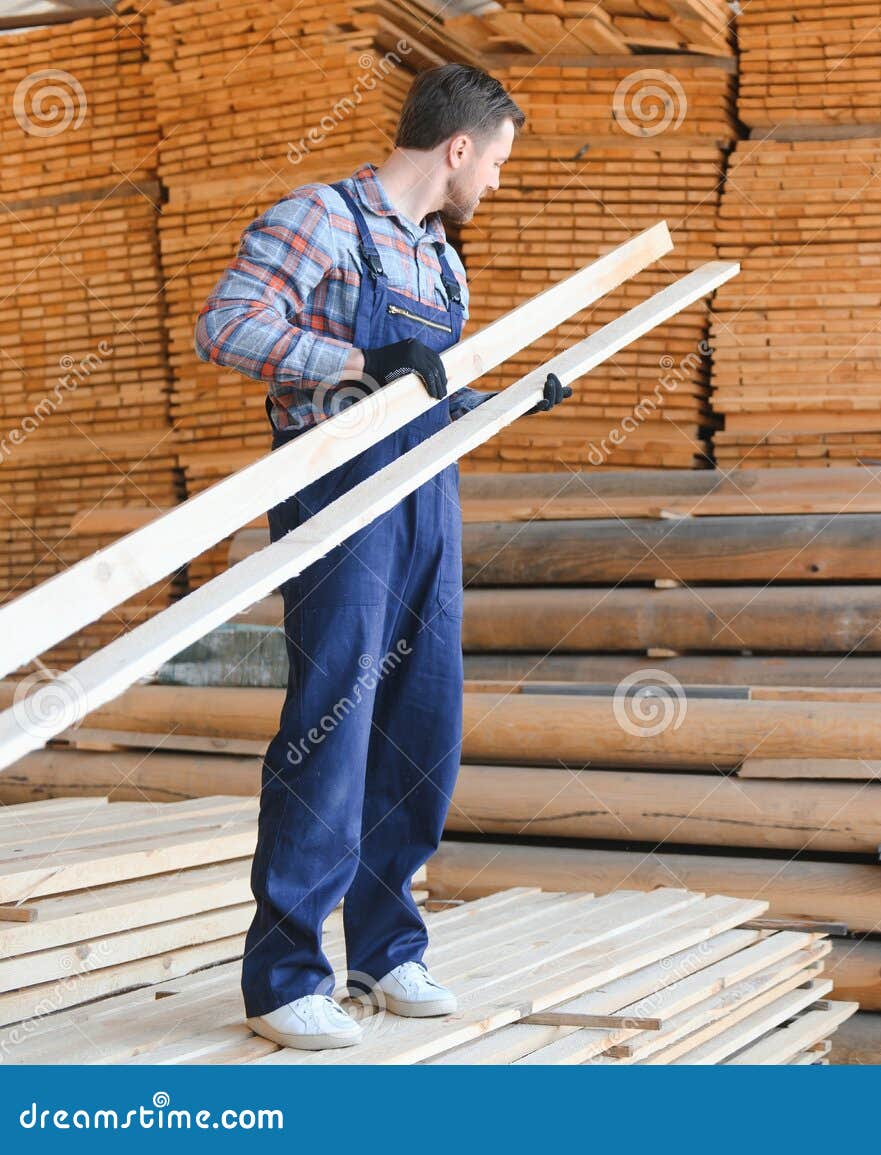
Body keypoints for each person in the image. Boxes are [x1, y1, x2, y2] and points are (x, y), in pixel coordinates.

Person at [195, 63, 565, 1050]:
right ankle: (283, 976)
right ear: (456, 149)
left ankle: (386, 949)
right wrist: (353, 362)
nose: (495, 180)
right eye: (496, 161)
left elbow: (426, 394)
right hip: (337, 494)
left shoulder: (443, 262)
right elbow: (225, 325)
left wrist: (503, 402)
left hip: (426, 496)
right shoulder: (317, 217)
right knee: (334, 722)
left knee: (422, 722)